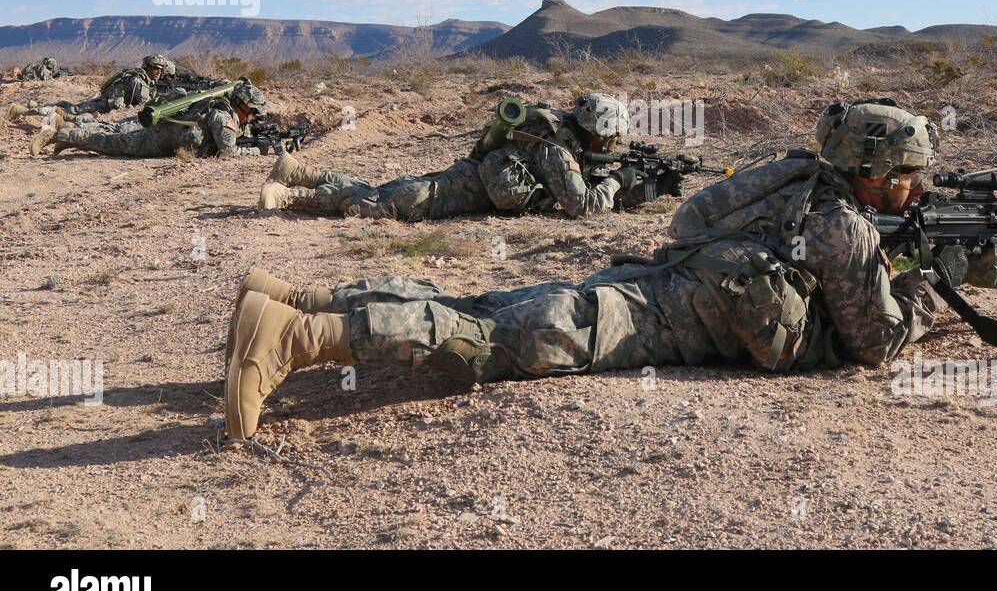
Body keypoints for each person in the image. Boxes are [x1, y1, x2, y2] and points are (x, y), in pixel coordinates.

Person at [223, 98, 941, 438]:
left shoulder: (789, 179)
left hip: (644, 283)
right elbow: (873, 343)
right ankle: (297, 338)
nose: (914, 186)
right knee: (498, 340)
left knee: (486, 305)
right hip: (646, 318)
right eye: (909, 172)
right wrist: (924, 292)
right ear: (876, 168)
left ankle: (294, 297)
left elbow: (689, 220)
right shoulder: (841, 222)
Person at [257, 93, 676, 220]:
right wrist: (620, 180)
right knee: (392, 203)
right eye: (611, 139)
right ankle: (296, 195)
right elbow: (581, 205)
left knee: (395, 191)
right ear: (597, 130)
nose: (612, 147)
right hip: (471, 185)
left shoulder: (564, 135)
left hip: (474, 175)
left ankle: (303, 172)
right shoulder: (557, 147)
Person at [33, 77, 270, 159]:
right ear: (242, 105)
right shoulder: (222, 115)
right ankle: (58, 134)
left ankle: (69, 138)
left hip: (168, 137)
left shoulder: (225, 111)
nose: (252, 117)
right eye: (252, 111)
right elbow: (228, 152)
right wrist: (257, 151)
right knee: (114, 144)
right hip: (161, 139)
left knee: (114, 138)